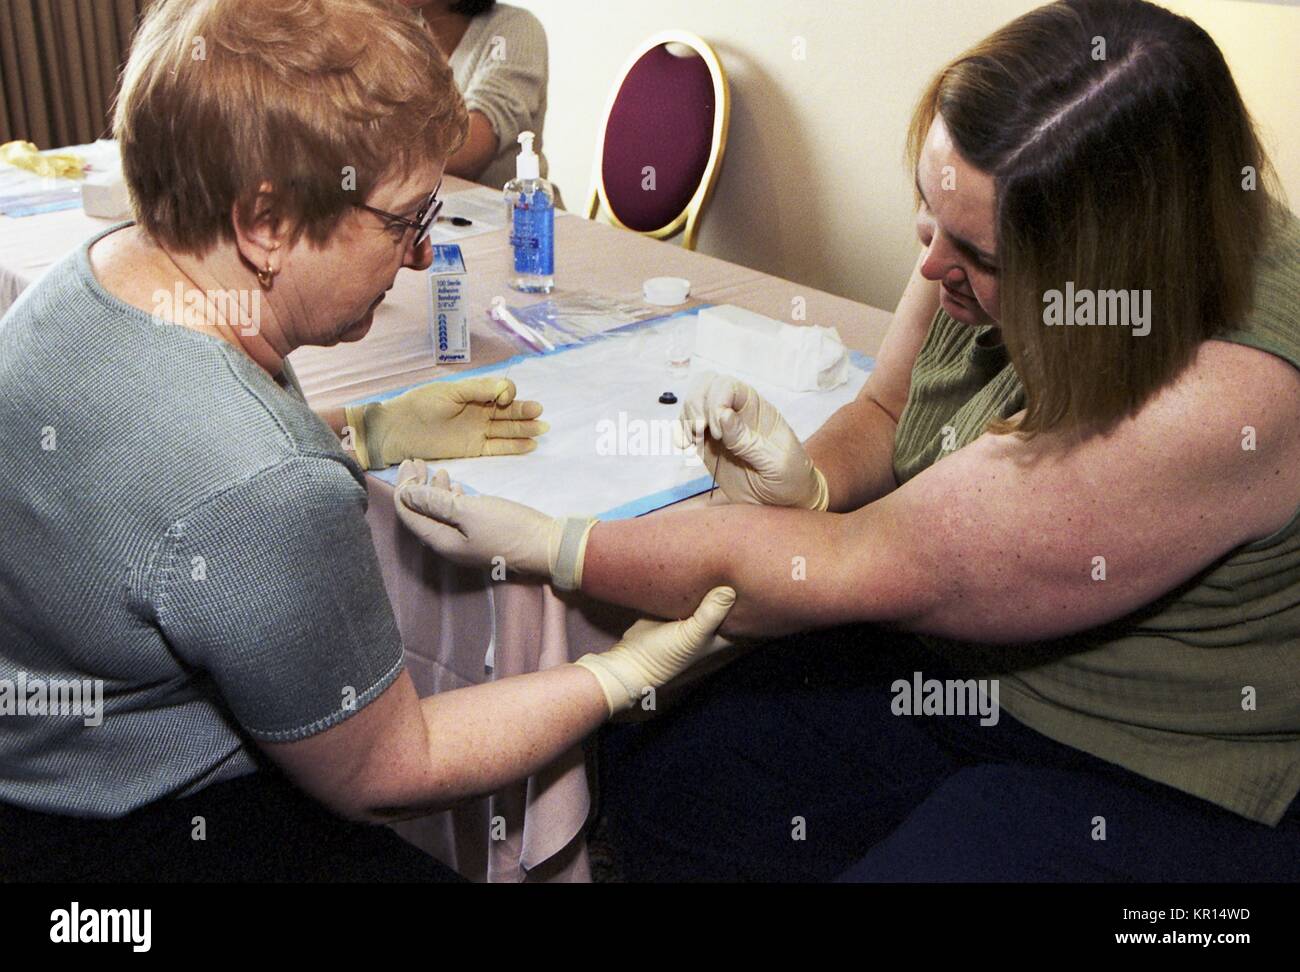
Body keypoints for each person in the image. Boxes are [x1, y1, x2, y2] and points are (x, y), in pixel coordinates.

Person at [393, 0, 1300, 881]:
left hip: (1151, 767)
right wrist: (812, 482)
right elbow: (884, 411)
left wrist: (559, 544)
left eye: (978, 257)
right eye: (926, 215)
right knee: (676, 773)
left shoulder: (1221, 397)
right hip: (965, 676)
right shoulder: (981, 223)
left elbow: (855, 561)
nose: (930, 264)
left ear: (1107, 261)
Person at [0, 0, 732, 883]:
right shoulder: (268, 484)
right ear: (265, 224)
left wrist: (366, 428)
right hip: (120, 834)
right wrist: (613, 676)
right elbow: (388, 770)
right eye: (405, 221)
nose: (422, 257)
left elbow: (158, 473)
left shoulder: (97, 273)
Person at [399, 0, 550, 189]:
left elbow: (468, 150)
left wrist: (372, 157)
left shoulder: (516, 29)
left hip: (516, 213)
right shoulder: (400, 30)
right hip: (422, 211)